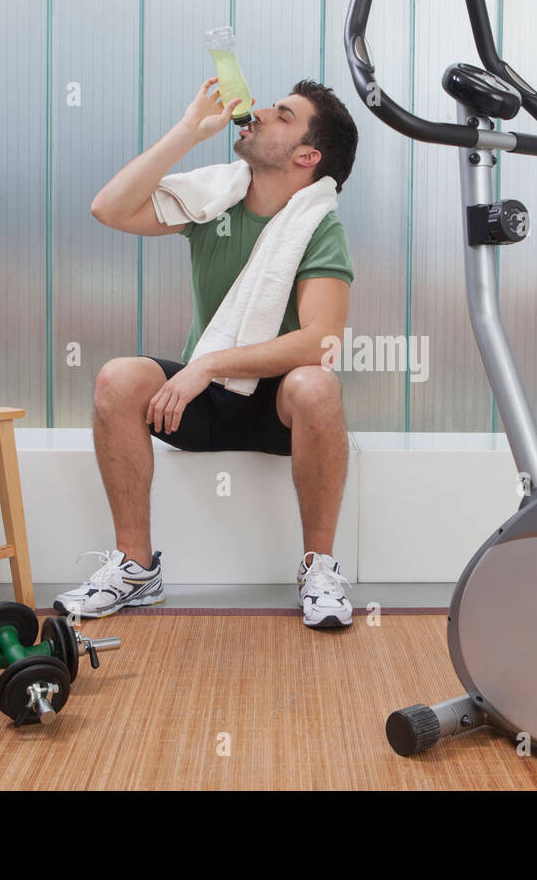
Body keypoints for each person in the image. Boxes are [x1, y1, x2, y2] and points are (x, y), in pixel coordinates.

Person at [55, 77, 359, 629]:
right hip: (203, 405)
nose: (260, 112)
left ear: (306, 156)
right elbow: (110, 208)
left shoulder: (317, 225)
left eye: (283, 114)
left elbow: (323, 340)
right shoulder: (215, 199)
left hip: (277, 411)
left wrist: (210, 364)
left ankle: (319, 568)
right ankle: (135, 571)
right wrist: (188, 131)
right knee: (117, 378)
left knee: (316, 383)